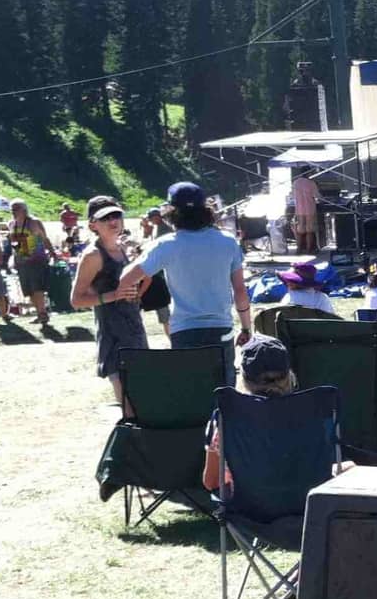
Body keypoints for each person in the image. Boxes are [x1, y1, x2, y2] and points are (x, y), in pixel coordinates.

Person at [117, 182, 250, 388]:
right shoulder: (228, 241)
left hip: (184, 330)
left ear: (171, 212)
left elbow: (126, 279)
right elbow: (240, 291)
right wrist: (246, 327)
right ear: (205, 210)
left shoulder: (165, 245)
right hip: (221, 327)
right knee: (225, 392)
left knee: (191, 390)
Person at [69, 197, 148, 411]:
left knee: (142, 400)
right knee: (131, 408)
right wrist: (114, 295)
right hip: (114, 336)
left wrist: (138, 289)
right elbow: (76, 300)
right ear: (92, 224)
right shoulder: (93, 255)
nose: (113, 221)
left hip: (134, 330)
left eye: (116, 215)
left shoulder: (122, 248)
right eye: (105, 218)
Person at [202, 335, 298, 493]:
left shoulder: (225, 419)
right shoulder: (310, 411)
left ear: (244, 378)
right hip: (303, 508)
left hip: (246, 510)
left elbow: (211, 481)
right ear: (289, 375)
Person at [5, 199, 53, 325]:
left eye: (16, 209)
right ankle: (40, 313)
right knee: (28, 290)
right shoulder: (11, 224)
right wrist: (13, 258)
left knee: (37, 287)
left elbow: (44, 239)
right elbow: (12, 243)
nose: (13, 212)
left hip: (36, 260)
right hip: (21, 262)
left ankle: (42, 313)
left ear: (24, 210)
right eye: (12, 209)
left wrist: (52, 253)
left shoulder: (34, 222)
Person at [292, 170, 320, 253]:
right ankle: (308, 249)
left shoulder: (295, 183)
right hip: (310, 208)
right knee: (309, 229)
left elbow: (293, 195)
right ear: (308, 173)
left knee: (300, 228)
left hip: (299, 208)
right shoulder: (311, 183)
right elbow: (316, 195)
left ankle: (299, 248)